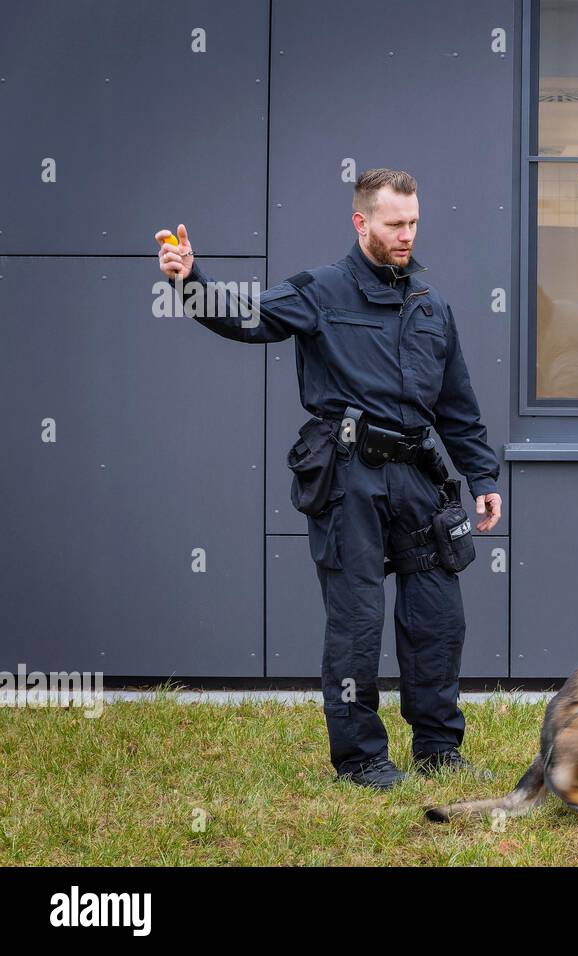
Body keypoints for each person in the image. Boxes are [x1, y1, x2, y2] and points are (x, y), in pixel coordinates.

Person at [157, 168, 502, 789]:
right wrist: (191, 282)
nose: (407, 235)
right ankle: (361, 756)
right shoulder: (321, 289)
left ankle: (438, 748)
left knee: (437, 615)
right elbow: (248, 318)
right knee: (357, 617)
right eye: (395, 223)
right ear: (360, 221)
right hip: (349, 478)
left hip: (419, 476)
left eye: (414, 222)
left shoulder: (431, 304)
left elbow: (456, 402)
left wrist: (480, 474)